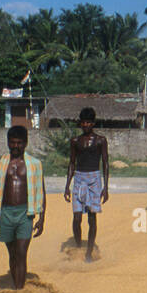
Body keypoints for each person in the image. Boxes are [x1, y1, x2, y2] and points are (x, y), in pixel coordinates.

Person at [0, 125, 46, 289]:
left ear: (26, 143)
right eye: (12, 142)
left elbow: (40, 192)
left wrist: (42, 219)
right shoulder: (0, 164)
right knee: (13, 254)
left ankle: (19, 291)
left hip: (25, 214)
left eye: (19, 143)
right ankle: (16, 284)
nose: (16, 146)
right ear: (8, 142)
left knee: (22, 253)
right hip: (5, 214)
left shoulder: (35, 165)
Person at [63, 107, 109, 262]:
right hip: (79, 179)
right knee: (76, 217)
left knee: (91, 217)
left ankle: (89, 252)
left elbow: (106, 163)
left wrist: (106, 188)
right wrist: (67, 186)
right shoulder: (75, 141)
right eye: (83, 122)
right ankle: (78, 247)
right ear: (80, 123)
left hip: (95, 179)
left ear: (93, 123)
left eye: (88, 122)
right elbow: (71, 163)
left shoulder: (101, 140)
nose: (85, 125)